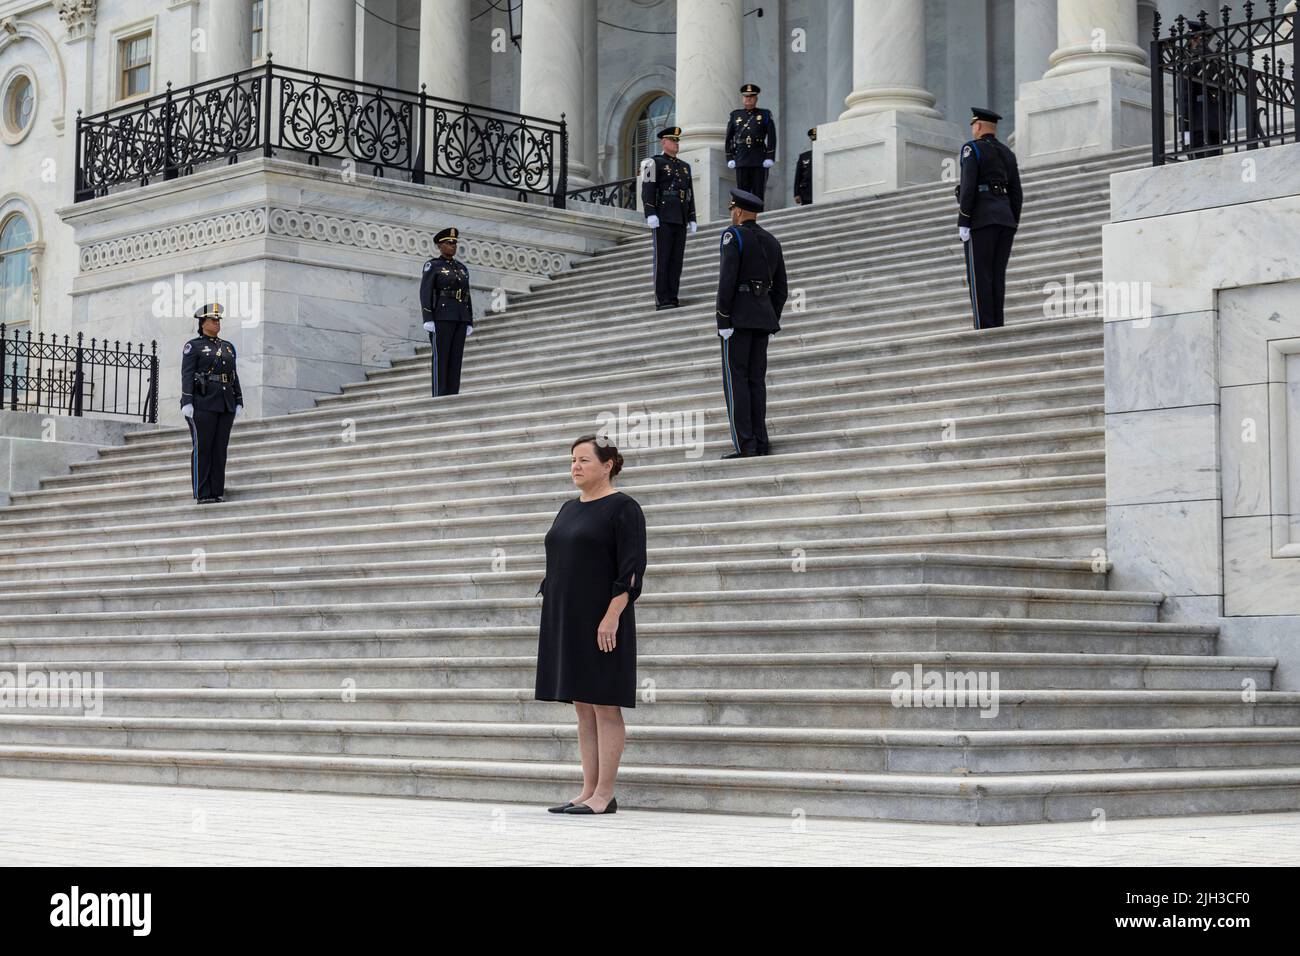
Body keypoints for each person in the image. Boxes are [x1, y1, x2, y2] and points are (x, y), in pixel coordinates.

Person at [535, 435, 648, 816]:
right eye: (572, 460)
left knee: (604, 705)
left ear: (608, 465)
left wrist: (612, 615)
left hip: (604, 620)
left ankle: (605, 793)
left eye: (584, 460)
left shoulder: (624, 508)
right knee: (582, 706)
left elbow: (631, 570)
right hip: (568, 618)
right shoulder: (568, 509)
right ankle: (587, 789)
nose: (576, 466)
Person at [715, 187, 787, 459]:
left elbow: (727, 280)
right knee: (756, 381)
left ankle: (746, 443)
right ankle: (761, 440)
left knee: (736, 381)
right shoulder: (772, 241)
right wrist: (770, 315)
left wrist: (723, 317)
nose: (732, 214)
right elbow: (781, 289)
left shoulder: (733, 236)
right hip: (762, 318)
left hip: (738, 319)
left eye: (733, 209)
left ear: (740, 211)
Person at [956, 107, 1023, 330]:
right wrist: (1013, 221)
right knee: (997, 275)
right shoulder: (1008, 153)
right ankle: (997, 324)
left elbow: (967, 189)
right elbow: (1016, 192)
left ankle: (984, 327)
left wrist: (964, 221)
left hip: (981, 219)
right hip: (1005, 219)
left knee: (979, 276)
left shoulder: (971, 149)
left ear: (978, 126)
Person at [180, 302, 242, 504]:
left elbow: (233, 375)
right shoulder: (193, 346)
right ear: (203, 323)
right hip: (202, 402)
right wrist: (187, 401)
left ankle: (217, 490)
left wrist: (239, 399)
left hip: (225, 403)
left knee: (220, 448)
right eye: (213, 320)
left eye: (218, 320)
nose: (217, 323)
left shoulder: (228, 347)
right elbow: (187, 375)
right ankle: (202, 492)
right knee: (203, 447)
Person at [640, 125, 698, 309]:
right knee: (663, 259)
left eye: (677, 140)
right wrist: (650, 213)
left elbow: (689, 193)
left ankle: (673, 296)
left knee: (676, 261)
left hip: (679, 217)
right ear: (663, 142)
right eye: (673, 140)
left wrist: (692, 216)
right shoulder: (651, 163)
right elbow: (647, 190)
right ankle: (662, 298)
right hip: (663, 217)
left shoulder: (685, 167)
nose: (676, 143)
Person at [420, 226, 474, 396]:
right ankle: (439, 394)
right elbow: (425, 291)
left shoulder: (462, 268)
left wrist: (469, 320)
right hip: (442, 317)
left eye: (454, 243)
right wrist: (428, 317)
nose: (453, 246)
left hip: (460, 317)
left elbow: (467, 294)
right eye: (449, 243)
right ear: (439, 245)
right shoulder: (433, 266)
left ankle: (452, 393)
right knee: (441, 358)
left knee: (456, 359)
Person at [1177, 22, 1227, 157]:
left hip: (1197, 122)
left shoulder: (1191, 62)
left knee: (1199, 161)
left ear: (1196, 39)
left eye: (1191, 39)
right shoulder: (1218, 62)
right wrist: (1224, 121)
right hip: (1217, 122)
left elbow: (1185, 95)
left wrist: (1185, 127)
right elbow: (1227, 97)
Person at [725, 83, 777, 199]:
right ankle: (745, 217)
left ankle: (758, 216)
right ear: (743, 98)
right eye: (746, 96)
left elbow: (772, 137)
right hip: (741, 158)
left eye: (751, 96)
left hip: (759, 158)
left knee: (758, 192)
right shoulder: (735, 115)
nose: (748, 98)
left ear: (756, 98)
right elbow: (728, 138)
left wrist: (770, 156)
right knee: (742, 193)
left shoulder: (764, 114)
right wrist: (729, 157)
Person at [793, 127, 815, 205]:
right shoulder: (804, 156)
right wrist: (796, 193)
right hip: (806, 192)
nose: (814, 143)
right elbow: (798, 176)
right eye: (813, 141)